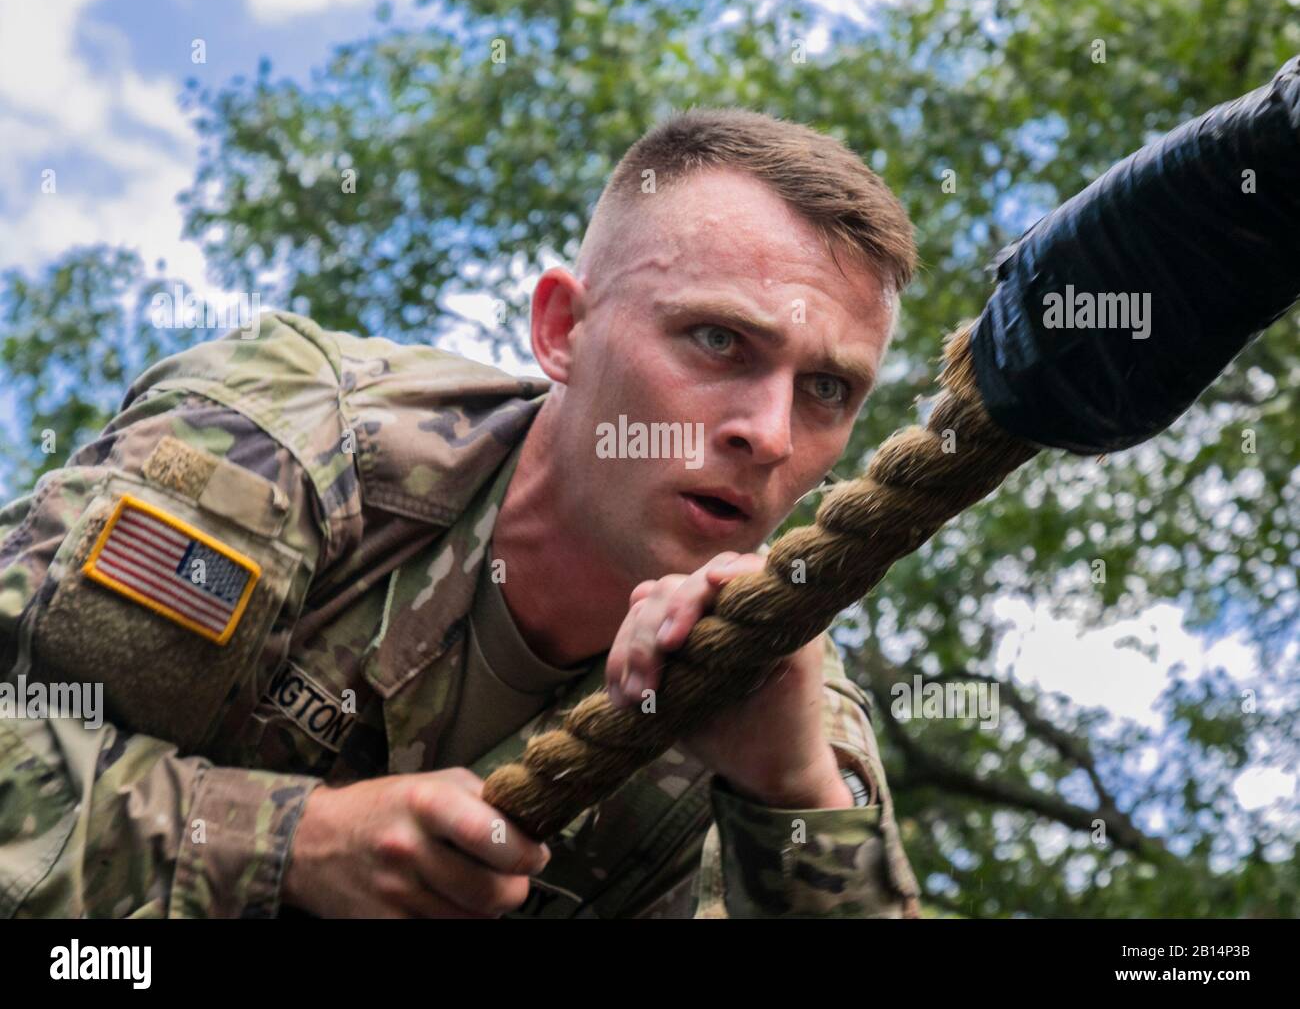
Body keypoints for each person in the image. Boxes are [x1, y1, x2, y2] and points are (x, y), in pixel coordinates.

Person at [0, 107, 922, 918]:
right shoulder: (290, 449)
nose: (767, 433)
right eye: (719, 340)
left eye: (828, 390)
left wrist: (794, 791)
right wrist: (285, 844)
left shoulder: (774, 698)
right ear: (562, 329)